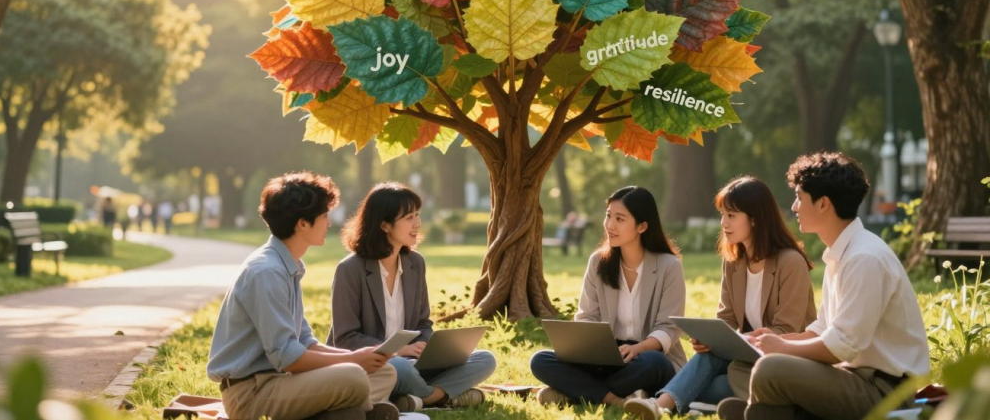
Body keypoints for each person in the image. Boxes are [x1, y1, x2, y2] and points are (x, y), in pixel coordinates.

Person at [717, 152, 930, 420]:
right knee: (751, 364)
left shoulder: (864, 258)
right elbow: (822, 329)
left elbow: (842, 346)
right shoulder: (841, 255)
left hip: (885, 392)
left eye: (799, 197)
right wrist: (765, 342)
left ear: (823, 204)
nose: (794, 207)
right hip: (852, 377)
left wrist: (781, 348)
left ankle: (766, 413)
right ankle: (772, 413)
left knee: (769, 369)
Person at [207, 171, 399, 420]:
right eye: (324, 216)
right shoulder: (266, 272)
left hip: (283, 382)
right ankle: (358, 412)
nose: (329, 223)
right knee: (353, 376)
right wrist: (354, 360)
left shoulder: (287, 266)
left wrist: (363, 357)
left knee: (384, 372)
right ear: (303, 224)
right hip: (251, 394)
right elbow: (287, 357)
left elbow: (305, 341)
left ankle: (348, 413)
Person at [624, 176, 817, 419]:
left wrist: (738, 342)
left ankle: (665, 404)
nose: (724, 223)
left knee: (699, 385)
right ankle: (671, 403)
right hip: (743, 361)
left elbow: (786, 330)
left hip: (782, 363)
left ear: (755, 218)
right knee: (705, 370)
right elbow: (726, 319)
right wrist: (710, 340)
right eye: (722, 215)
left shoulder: (790, 262)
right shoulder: (734, 263)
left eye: (731, 215)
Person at [328, 182, 495, 413]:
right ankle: (437, 398)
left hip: (412, 363)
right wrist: (396, 351)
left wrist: (427, 348)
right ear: (385, 225)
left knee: (485, 359)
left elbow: (423, 323)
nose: (417, 223)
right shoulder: (350, 269)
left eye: (417, 214)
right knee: (400, 368)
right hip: (374, 365)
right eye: (409, 217)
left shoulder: (415, 263)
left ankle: (415, 398)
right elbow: (345, 338)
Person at [530, 186, 687, 410]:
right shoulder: (598, 263)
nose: (610, 225)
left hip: (647, 355)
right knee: (540, 360)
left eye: (619, 219)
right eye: (608, 216)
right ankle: (615, 398)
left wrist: (639, 348)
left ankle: (576, 392)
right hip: (606, 357)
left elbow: (668, 328)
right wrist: (590, 348)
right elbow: (587, 317)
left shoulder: (669, 266)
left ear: (642, 226)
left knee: (655, 363)